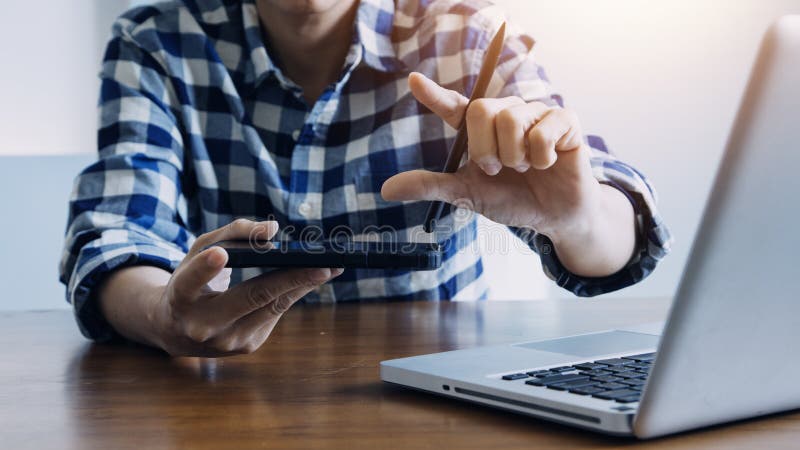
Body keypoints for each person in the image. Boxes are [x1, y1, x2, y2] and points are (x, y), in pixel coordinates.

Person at [60, 0, 671, 356]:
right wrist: (164, 315)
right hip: (229, 399)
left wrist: (578, 217)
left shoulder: (466, 36)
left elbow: (613, 223)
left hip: (445, 395)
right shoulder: (155, 45)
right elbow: (118, 234)